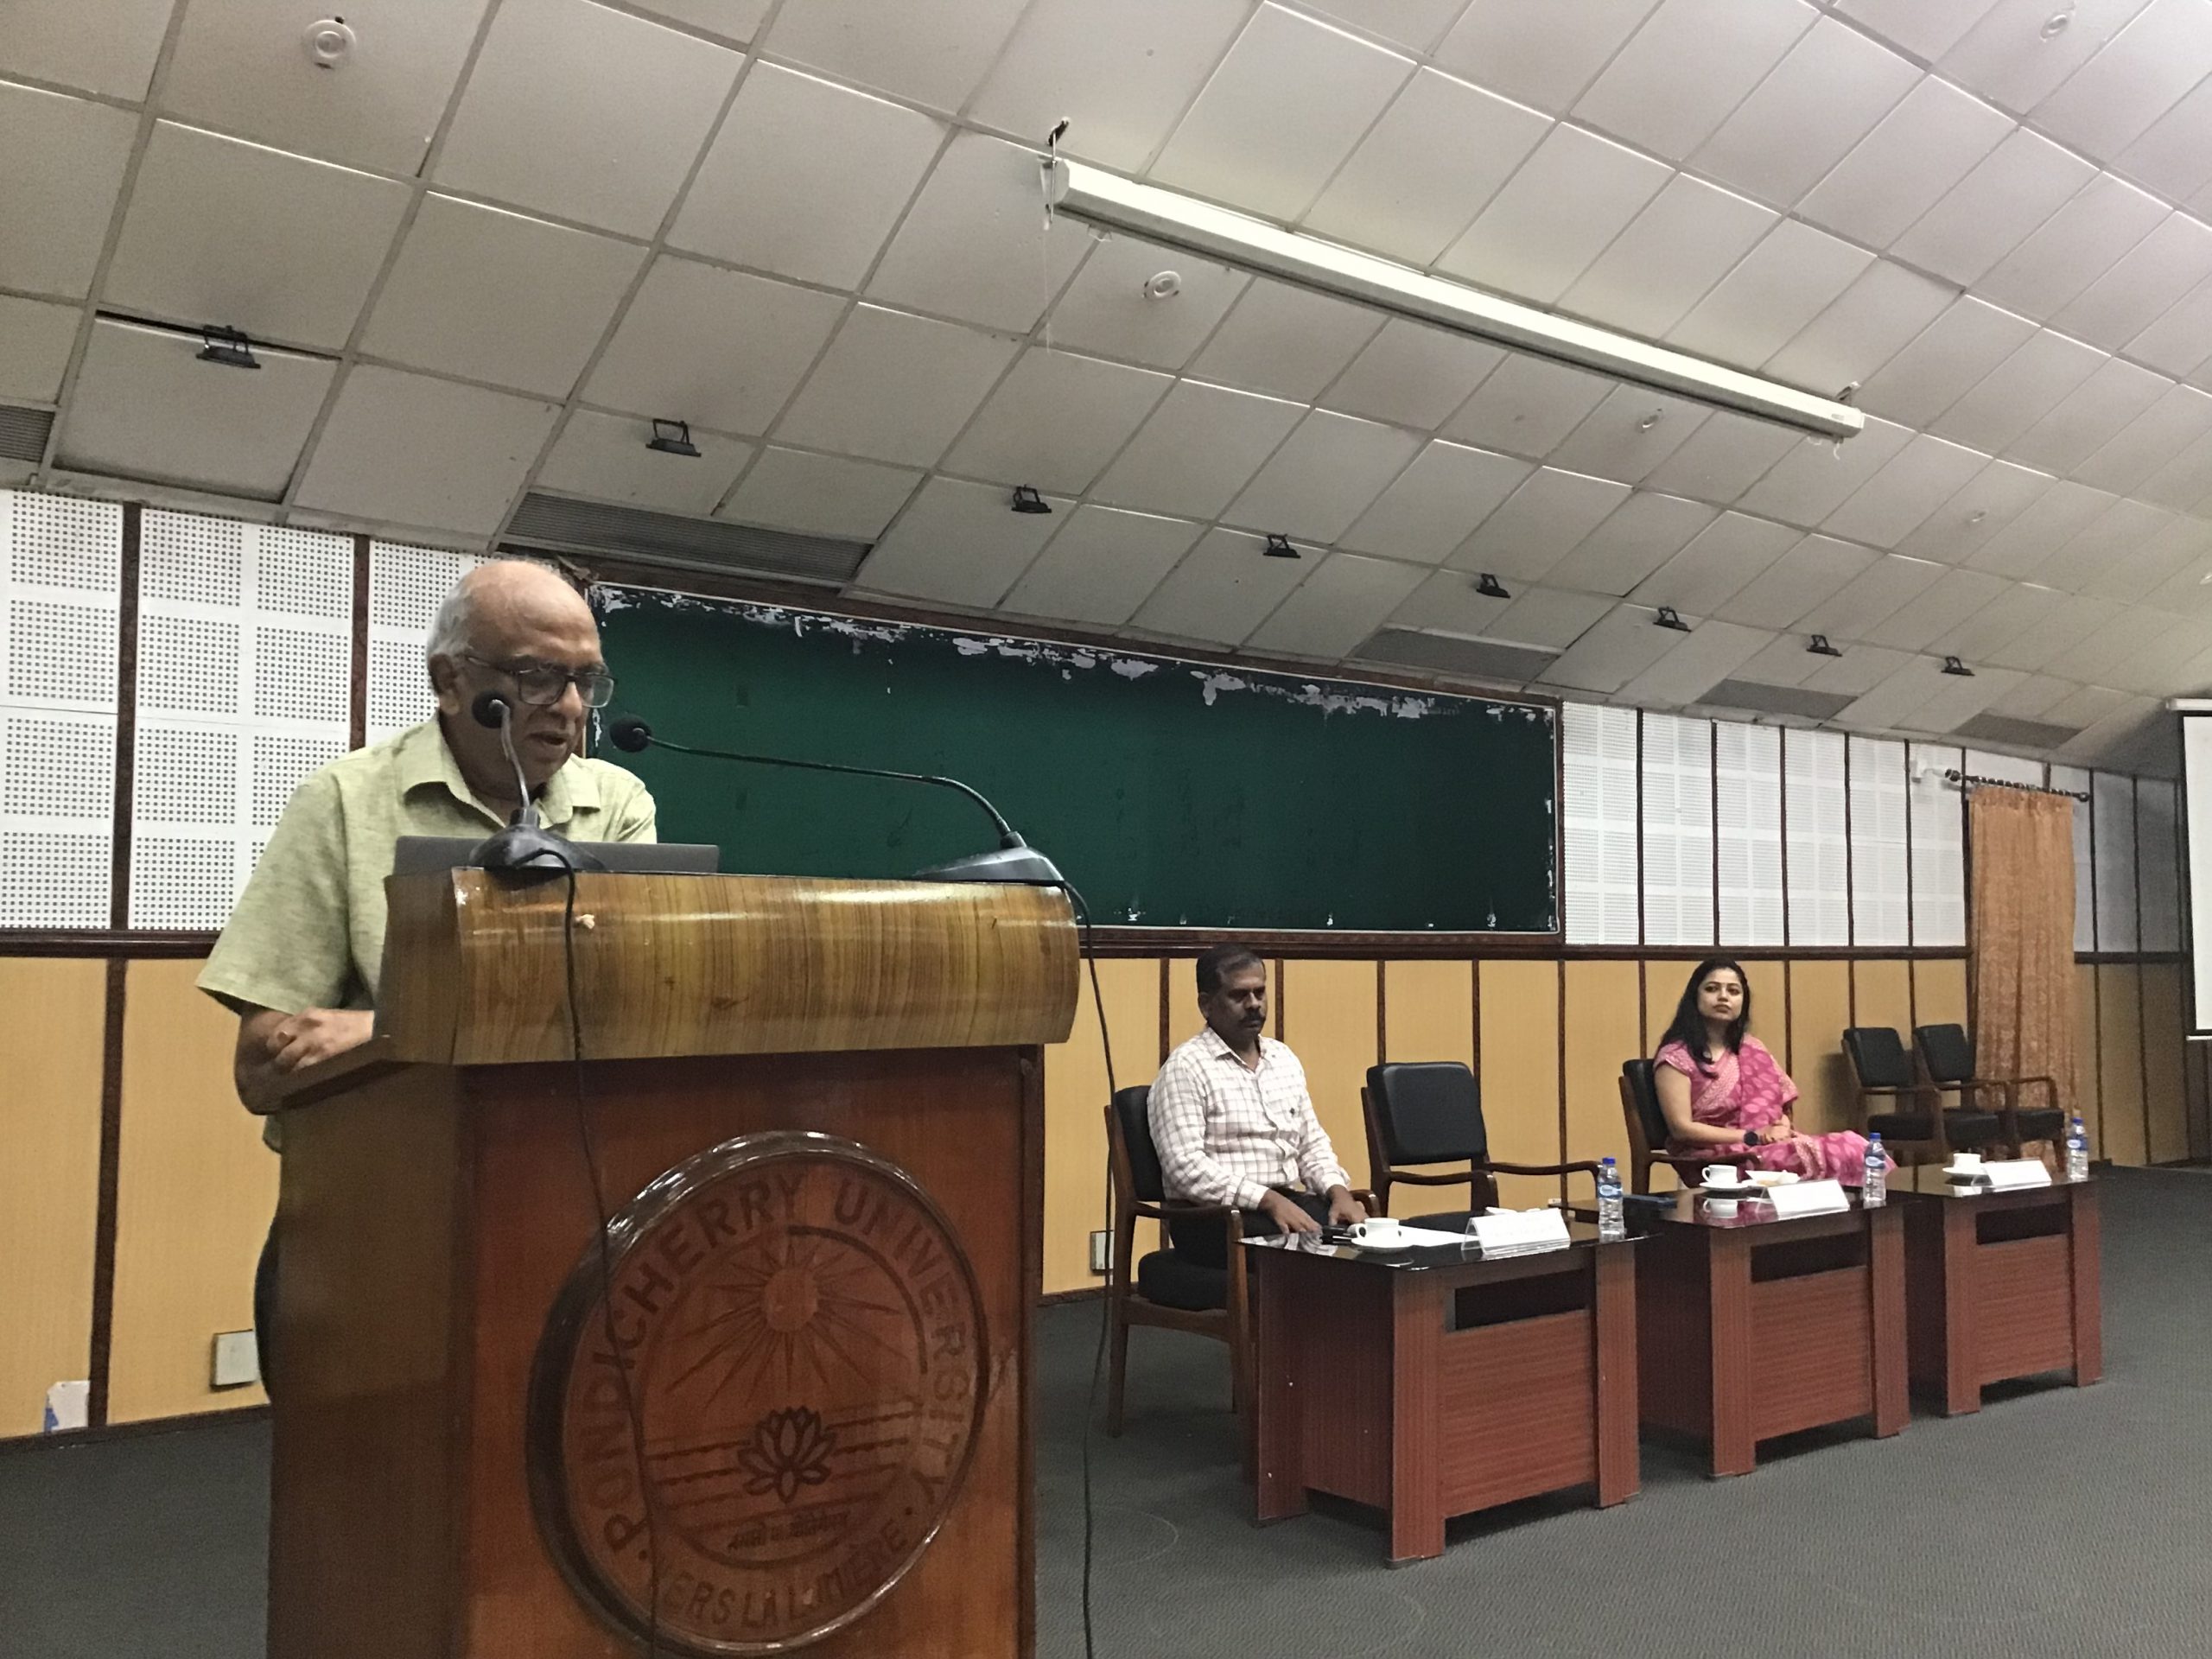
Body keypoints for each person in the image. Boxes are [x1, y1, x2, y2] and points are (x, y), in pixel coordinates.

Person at [197, 559, 658, 1378]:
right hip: (367, 1221)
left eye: (587, 681)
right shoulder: (344, 803)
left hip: (558, 1217)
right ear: (452, 680)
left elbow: (617, 1012)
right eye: (538, 677)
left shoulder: (615, 804)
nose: (571, 710)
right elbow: (263, 1068)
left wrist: (388, 1027)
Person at [1147, 944, 1365, 1267]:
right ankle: (1300, 1316)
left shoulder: (1282, 1058)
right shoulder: (1186, 1067)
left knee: (1362, 1239)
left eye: (1260, 993)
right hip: (1213, 1218)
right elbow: (1185, 1169)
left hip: (1284, 1204)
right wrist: (1266, 1200)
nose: (1254, 1005)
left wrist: (1338, 1191)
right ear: (1206, 1004)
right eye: (1239, 996)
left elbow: (1311, 1144)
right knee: (1317, 1248)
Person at [1653, 957, 1887, 1185]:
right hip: (1714, 1158)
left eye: (1734, 991)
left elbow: (1779, 1107)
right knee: (1838, 1153)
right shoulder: (1676, 1057)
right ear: (1695, 996)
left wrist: (1783, 1126)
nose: (1723, 997)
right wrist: (1753, 1136)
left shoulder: (1752, 1048)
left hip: (1767, 1146)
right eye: (1712, 989)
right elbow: (1681, 1129)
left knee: (1856, 1146)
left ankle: (1876, 1219)